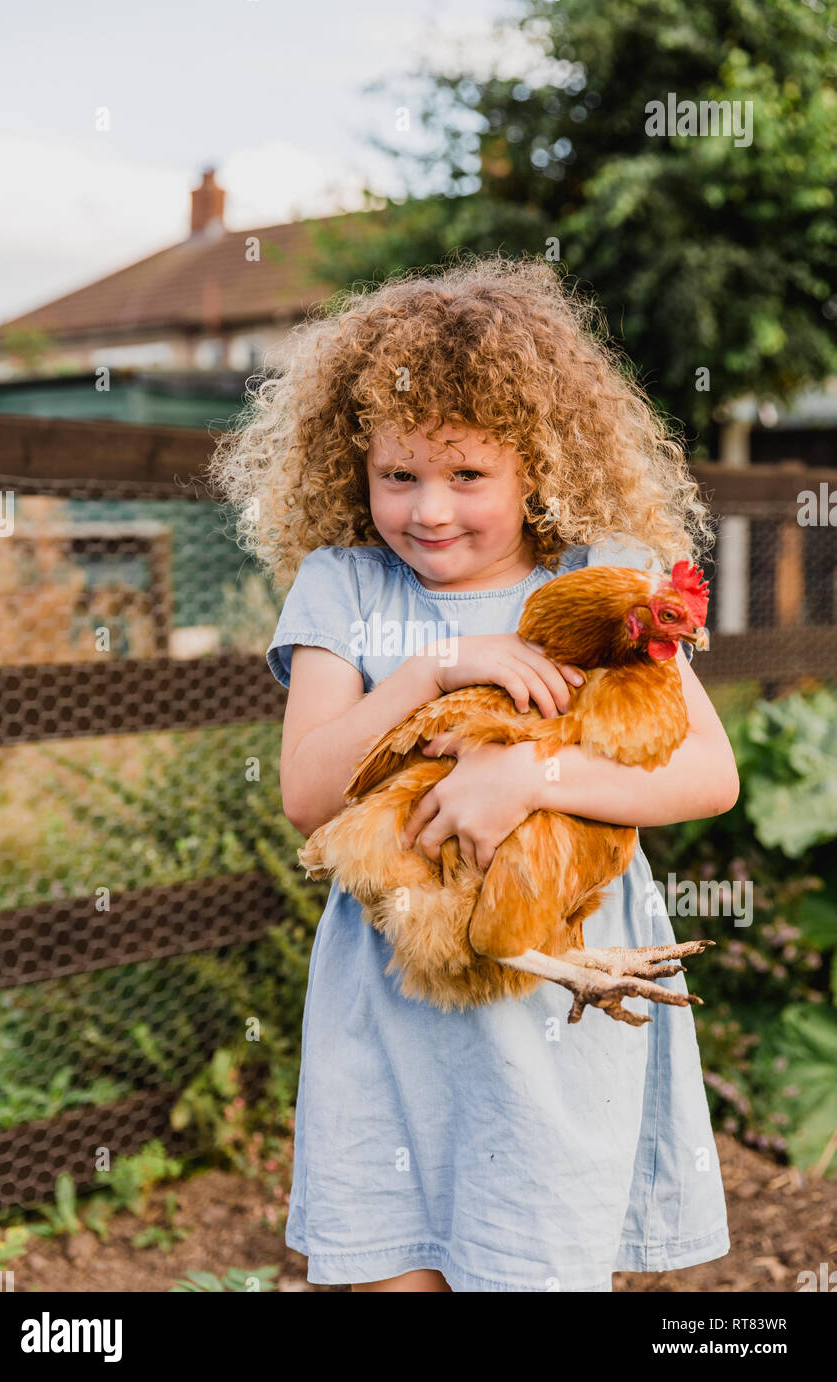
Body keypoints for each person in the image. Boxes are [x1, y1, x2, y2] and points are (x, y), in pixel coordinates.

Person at [207, 254, 737, 1292]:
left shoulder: (595, 574)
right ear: (351, 464)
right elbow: (309, 795)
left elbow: (706, 775)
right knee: (391, 1268)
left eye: (466, 477)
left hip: (554, 999)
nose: (428, 510)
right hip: (394, 998)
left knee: (530, 1262)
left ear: (533, 465)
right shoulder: (343, 586)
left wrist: (527, 780)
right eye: (396, 475)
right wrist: (433, 665)